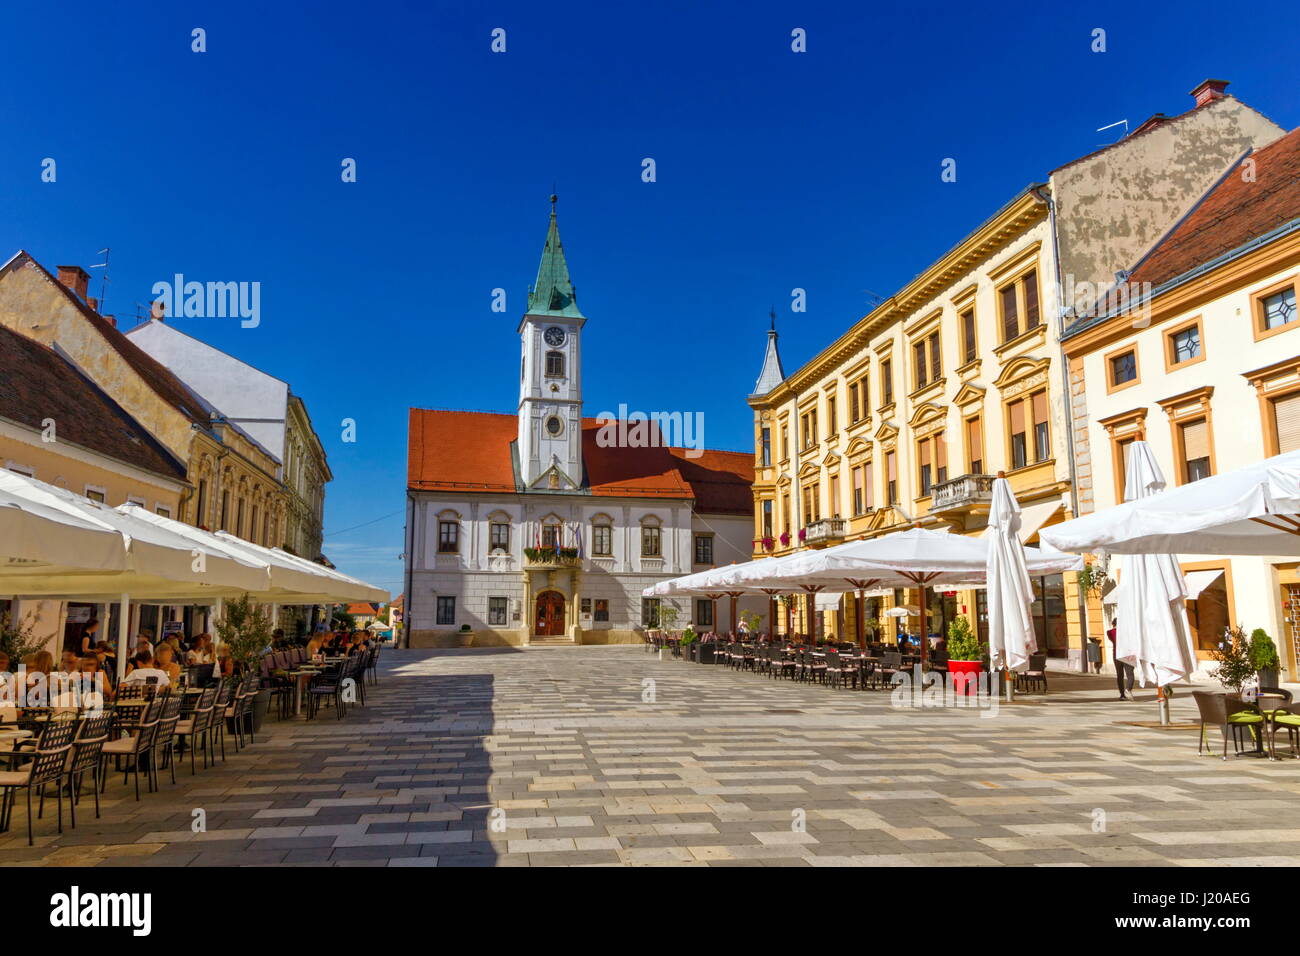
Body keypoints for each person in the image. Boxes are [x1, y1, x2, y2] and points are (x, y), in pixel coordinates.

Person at [1108, 621, 1134, 700]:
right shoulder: (1127, 631)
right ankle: (1128, 689)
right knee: (1130, 675)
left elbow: (1113, 639)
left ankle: (1122, 695)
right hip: (1127, 654)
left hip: (1117, 655)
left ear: (1113, 624)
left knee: (1120, 675)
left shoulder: (1109, 632)